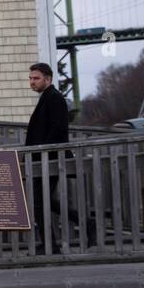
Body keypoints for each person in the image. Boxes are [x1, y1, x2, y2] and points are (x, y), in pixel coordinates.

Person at [25, 63, 95, 252]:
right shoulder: (47, 98)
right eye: (31, 78)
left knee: (39, 201)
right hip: (43, 158)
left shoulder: (54, 98)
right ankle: (85, 224)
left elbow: (58, 129)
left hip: (50, 158)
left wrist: (42, 151)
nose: (32, 82)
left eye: (36, 78)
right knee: (41, 200)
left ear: (48, 79)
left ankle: (50, 244)